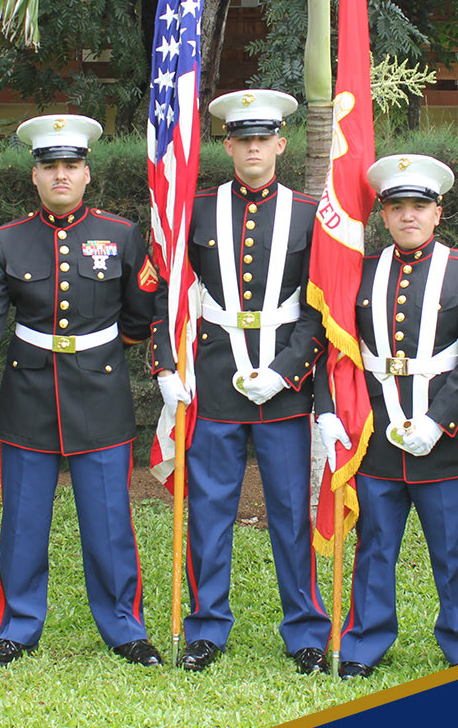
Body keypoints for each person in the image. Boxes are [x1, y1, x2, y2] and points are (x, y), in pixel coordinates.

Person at [0, 114, 164, 668]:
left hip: (99, 394)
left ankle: (124, 628)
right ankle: (18, 628)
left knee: (109, 523)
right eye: (50, 166)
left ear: (87, 174)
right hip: (29, 396)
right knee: (23, 523)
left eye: (71, 166)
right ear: (34, 176)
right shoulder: (8, 240)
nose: (61, 175)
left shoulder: (120, 235)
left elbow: (141, 314)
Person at [150, 89, 331, 674]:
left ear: (281, 144)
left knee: (291, 513)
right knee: (208, 511)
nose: (254, 148)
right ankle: (206, 628)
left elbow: (321, 309)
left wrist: (284, 372)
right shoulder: (195, 209)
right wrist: (167, 367)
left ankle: (305, 630)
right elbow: (169, 296)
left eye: (263, 138)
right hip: (213, 382)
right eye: (242, 139)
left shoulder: (309, 214)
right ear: (227, 146)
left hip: (284, 387)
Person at [317, 154, 458, 678]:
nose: (408, 216)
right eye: (397, 207)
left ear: (438, 212)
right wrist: (328, 410)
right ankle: (364, 642)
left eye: (419, 206)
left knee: (450, 550)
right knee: (374, 547)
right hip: (375, 437)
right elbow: (337, 347)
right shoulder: (360, 270)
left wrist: (439, 421)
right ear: (383, 215)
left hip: (444, 441)